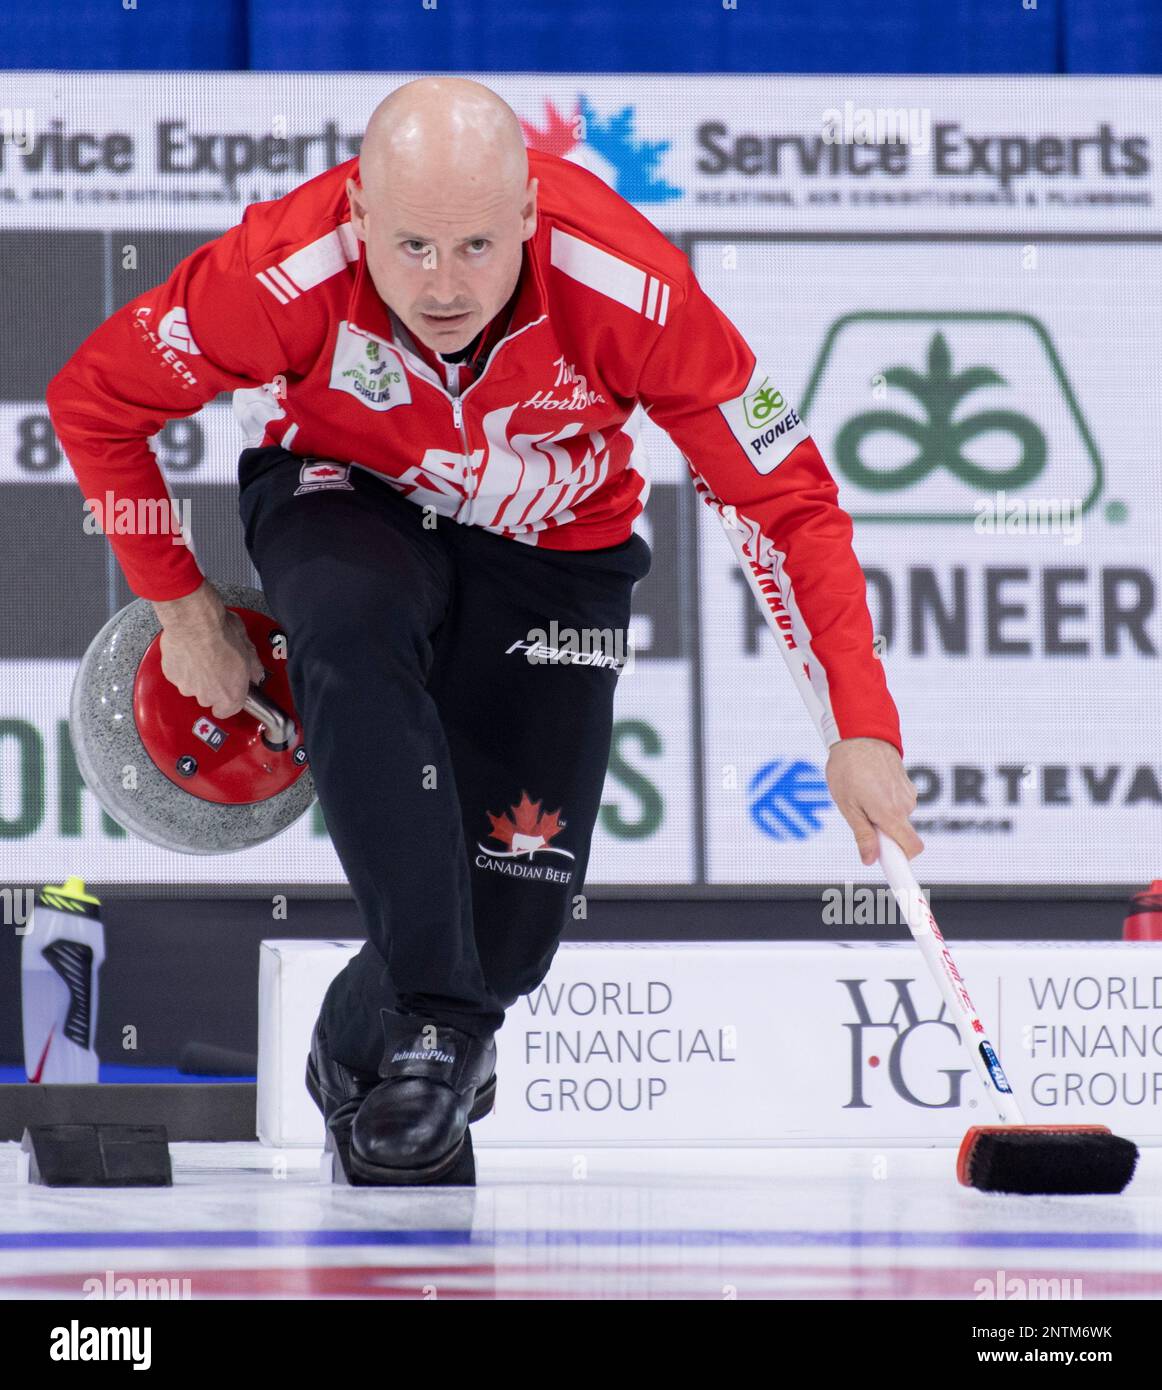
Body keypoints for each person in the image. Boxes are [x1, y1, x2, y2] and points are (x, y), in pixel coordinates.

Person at [46, 77, 921, 1185]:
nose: (442, 285)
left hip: (557, 542)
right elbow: (92, 400)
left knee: (506, 932)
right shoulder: (281, 268)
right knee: (351, 626)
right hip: (346, 490)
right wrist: (180, 607)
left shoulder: (633, 287)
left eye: (473, 247)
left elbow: (783, 499)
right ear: (357, 214)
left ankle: (373, 1040)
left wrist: (862, 724)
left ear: (529, 219)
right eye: (409, 245)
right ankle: (440, 1033)